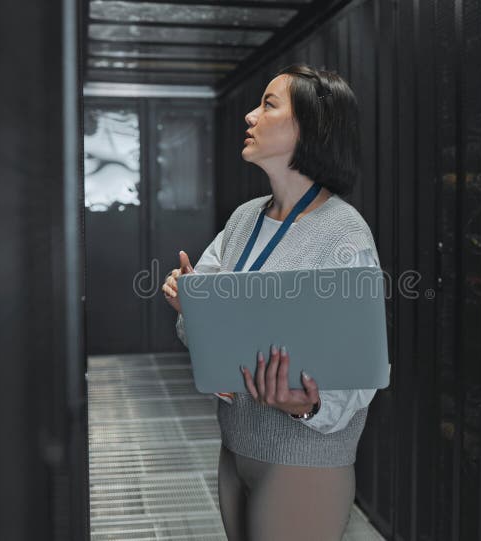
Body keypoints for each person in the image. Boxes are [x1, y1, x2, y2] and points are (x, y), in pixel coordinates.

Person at [162, 63, 380, 541]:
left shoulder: (344, 234)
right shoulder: (243, 219)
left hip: (303, 466)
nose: (249, 115)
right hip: (236, 451)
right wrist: (192, 308)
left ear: (309, 127)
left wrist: (306, 407)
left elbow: (358, 374)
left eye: (267, 104)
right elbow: (214, 345)